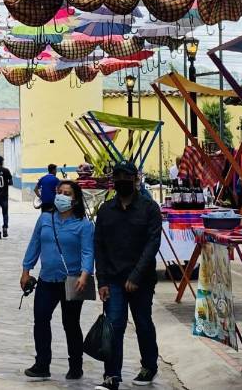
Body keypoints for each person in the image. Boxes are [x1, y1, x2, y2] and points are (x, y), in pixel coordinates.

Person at [94, 164, 163, 390]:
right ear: (113, 180)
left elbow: (152, 244)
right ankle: (111, 376)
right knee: (114, 326)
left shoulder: (149, 209)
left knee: (143, 323)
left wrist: (135, 276)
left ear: (135, 179)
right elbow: (99, 247)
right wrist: (101, 281)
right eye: (118, 177)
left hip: (141, 280)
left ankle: (149, 365)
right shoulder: (105, 211)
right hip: (113, 280)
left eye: (127, 177)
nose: (122, 180)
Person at [21, 181, 94, 381]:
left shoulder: (84, 225)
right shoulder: (45, 219)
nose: (62, 196)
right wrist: (26, 270)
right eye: (59, 192)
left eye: (67, 193)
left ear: (75, 199)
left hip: (72, 282)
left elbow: (88, 252)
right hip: (46, 280)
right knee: (41, 320)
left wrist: (85, 275)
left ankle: (76, 365)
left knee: (71, 324)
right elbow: (34, 245)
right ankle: (42, 364)